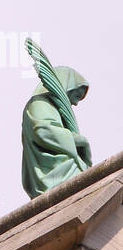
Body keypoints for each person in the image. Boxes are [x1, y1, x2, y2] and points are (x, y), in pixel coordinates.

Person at [22, 63, 91, 198]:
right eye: (76, 96)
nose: (76, 104)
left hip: (65, 164)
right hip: (55, 171)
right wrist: (80, 140)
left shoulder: (55, 110)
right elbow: (42, 131)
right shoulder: (39, 103)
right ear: (66, 87)